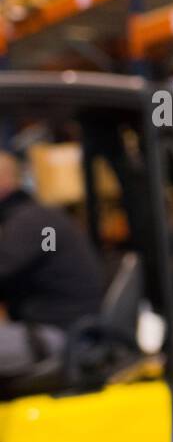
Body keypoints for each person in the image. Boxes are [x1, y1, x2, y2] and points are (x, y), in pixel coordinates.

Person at [0, 151, 103, 376]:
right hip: (50, 328)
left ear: (4, 181)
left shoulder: (30, 222)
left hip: (59, 333)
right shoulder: (31, 217)